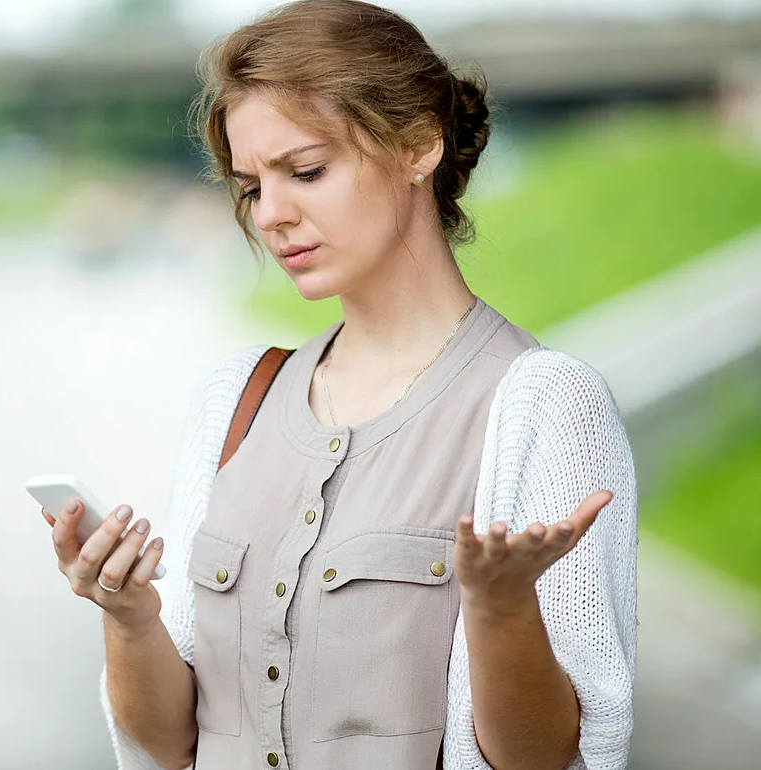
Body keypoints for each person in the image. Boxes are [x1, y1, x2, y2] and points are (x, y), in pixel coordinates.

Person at [40, 1, 638, 768]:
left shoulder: (544, 408)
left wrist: (498, 606)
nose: (272, 216)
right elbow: (168, 743)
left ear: (418, 145)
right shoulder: (235, 400)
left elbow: (549, 758)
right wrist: (126, 616)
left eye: (307, 171)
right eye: (252, 186)